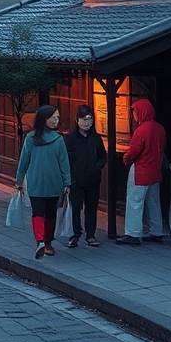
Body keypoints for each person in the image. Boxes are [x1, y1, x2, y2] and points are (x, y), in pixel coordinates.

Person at [16, 105, 71, 259]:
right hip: (53, 182)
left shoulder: (33, 138)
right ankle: (46, 242)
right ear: (44, 119)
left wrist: (19, 180)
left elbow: (23, 162)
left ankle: (41, 241)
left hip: (37, 182)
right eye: (53, 117)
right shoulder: (55, 139)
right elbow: (64, 164)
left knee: (39, 213)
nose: (56, 120)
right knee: (49, 213)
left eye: (57, 117)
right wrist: (67, 182)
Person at [117, 98, 167, 245]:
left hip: (141, 170)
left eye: (135, 112)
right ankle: (156, 231)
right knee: (154, 202)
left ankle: (133, 234)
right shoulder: (160, 129)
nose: (134, 115)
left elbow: (133, 151)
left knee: (135, 201)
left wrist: (125, 159)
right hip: (155, 170)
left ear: (141, 112)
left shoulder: (141, 130)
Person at [64, 105, 107, 248]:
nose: (86, 122)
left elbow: (103, 157)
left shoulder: (96, 138)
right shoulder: (70, 138)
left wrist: (96, 167)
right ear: (77, 120)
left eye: (89, 119)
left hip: (93, 180)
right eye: (83, 119)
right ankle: (75, 234)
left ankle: (90, 235)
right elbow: (64, 159)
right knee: (76, 208)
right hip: (76, 180)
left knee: (91, 208)